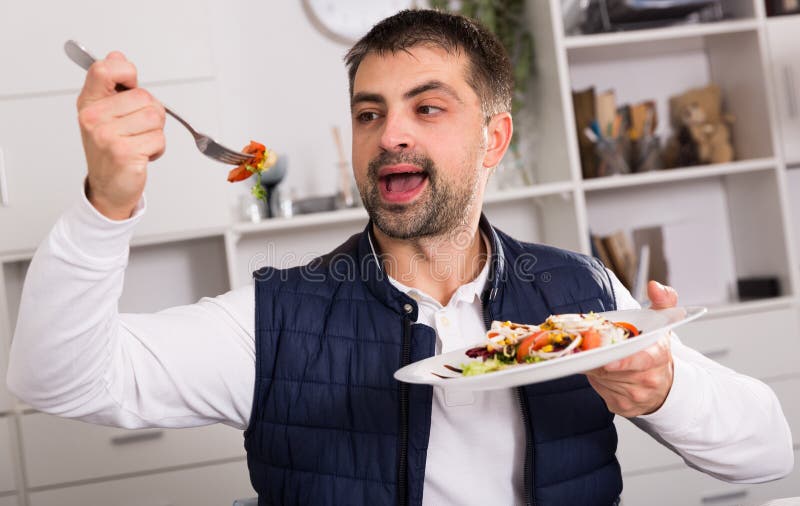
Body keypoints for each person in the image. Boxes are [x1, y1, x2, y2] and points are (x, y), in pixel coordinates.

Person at [6, 9, 792, 506]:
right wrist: (106, 203)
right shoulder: (272, 320)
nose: (391, 135)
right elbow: (54, 378)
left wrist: (661, 388)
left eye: (427, 107)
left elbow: (766, 452)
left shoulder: (580, 292)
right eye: (368, 113)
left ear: (493, 138)